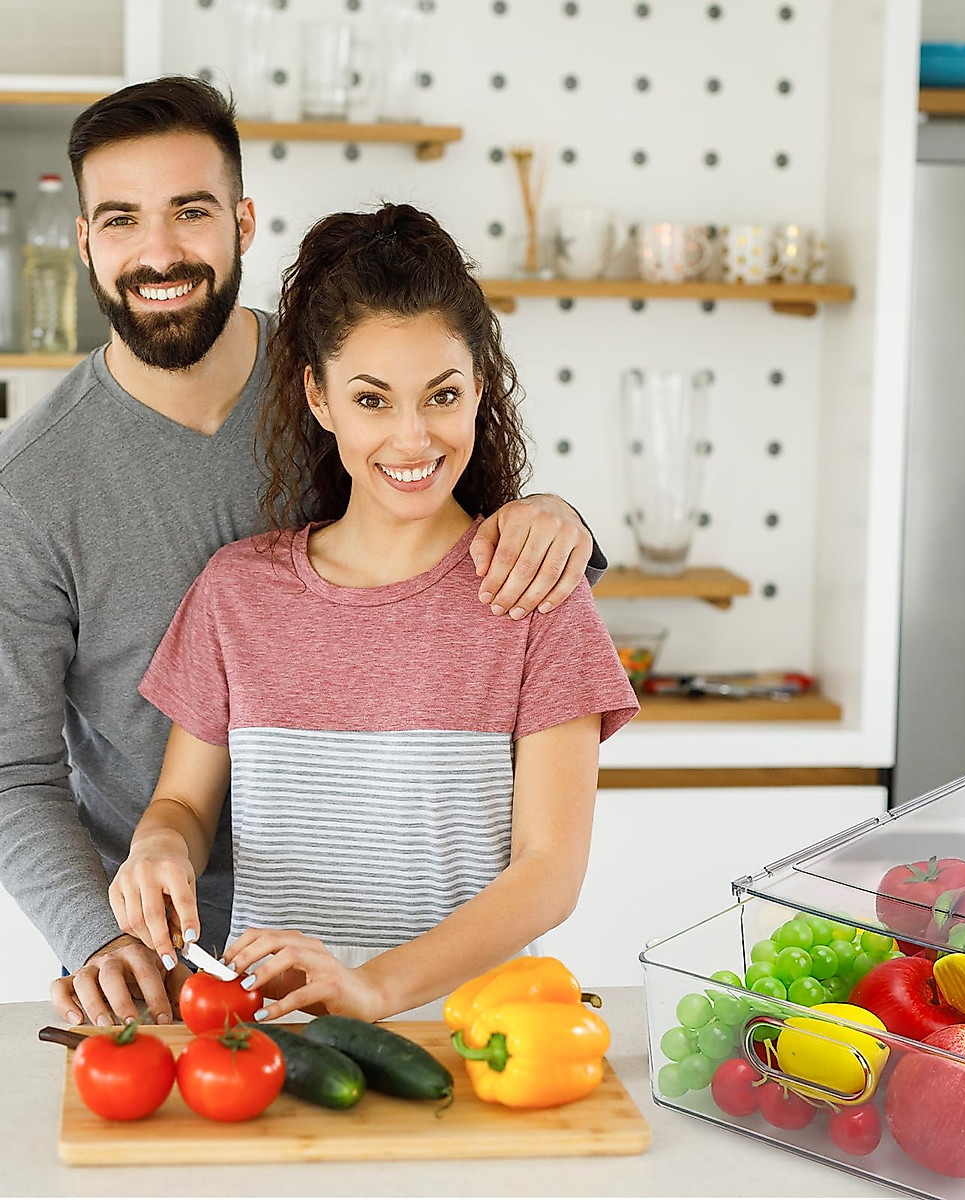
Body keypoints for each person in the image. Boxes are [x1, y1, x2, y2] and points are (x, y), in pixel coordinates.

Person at [0, 76, 605, 1030]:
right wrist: (102, 931)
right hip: (190, 961)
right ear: (84, 239)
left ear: (242, 221)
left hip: (441, 967)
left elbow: (465, 538)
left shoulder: (357, 361)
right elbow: (16, 772)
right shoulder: (29, 489)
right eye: (121, 219)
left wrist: (562, 522)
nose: (159, 251)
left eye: (191, 212)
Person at [107, 201, 638, 1021]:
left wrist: (375, 987)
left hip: (473, 1043)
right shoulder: (237, 592)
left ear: (479, 390)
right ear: (319, 398)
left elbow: (549, 871)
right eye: (372, 399)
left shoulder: (539, 595)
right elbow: (181, 806)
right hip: (267, 1038)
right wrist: (156, 848)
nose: (413, 438)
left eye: (441, 394)